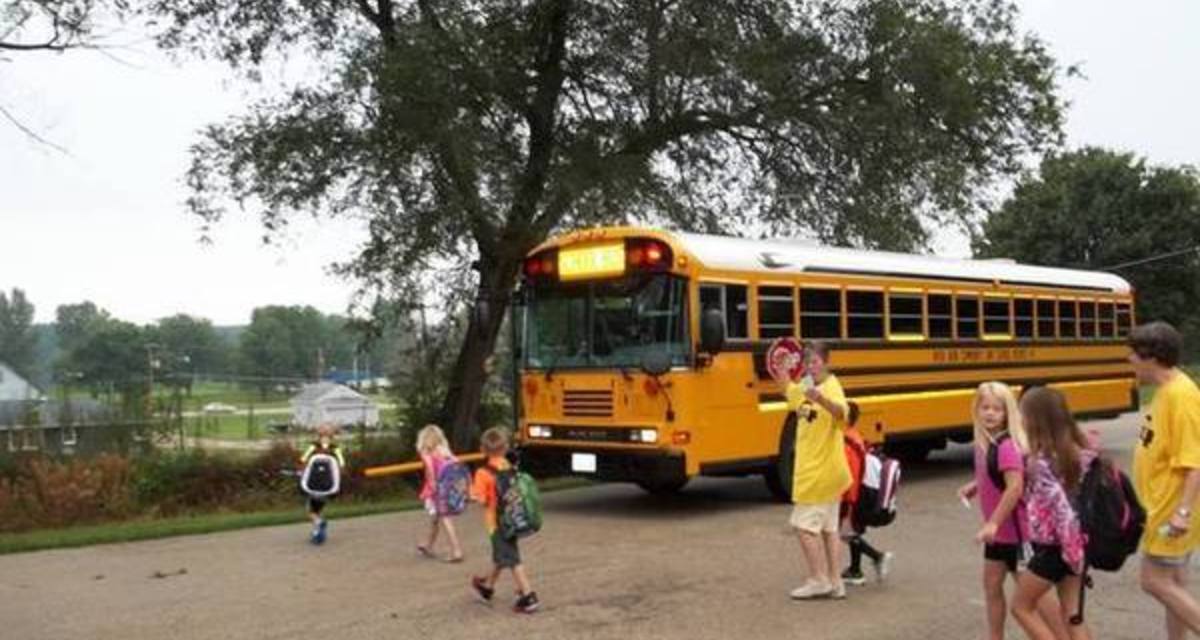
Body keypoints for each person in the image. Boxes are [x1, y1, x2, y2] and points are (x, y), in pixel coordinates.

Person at [957, 382, 1069, 640]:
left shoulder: (1006, 445)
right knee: (992, 586)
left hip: (1018, 535)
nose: (990, 413)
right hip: (998, 538)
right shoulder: (985, 444)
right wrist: (976, 486)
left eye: (997, 409)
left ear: (1008, 413)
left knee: (1035, 598)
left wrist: (993, 523)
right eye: (985, 407)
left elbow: (1015, 487)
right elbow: (998, 475)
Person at [1128, 321, 1200, 639]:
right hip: (1162, 506)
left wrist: (1182, 512)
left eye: (1132, 354)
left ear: (1151, 357)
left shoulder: (1181, 397)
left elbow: (1195, 462)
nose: (1129, 360)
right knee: (1174, 583)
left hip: (1171, 512)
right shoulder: (1166, 391)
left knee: (1154, 581)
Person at [1010, 387, 1094, 640]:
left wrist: (1072, 556)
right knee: (1073, 614)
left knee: (1021, 607)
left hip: (1056, 549)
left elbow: (1061, 512)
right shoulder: (1082, 453)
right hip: (1081, 544)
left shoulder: (1043, 463)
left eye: (1022, 414)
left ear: (1034, 419)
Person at [781, 340, 852, 600]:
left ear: (826, 361)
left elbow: (842, 413)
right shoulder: (806, 385)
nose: (810, 367)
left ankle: (818, 579)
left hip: (820, 471)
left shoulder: (831, 387)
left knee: (802, 527)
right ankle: (835, 582)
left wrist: (820, 398)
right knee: (828, 528)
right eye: (806, 362)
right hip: (826, 472)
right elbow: (789, 393)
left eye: (814, 362)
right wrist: (782, 369)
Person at [470, 427, 540, 613]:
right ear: (505, 447)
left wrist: (471, 494)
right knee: (503, 554)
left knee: (512, 558)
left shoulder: (483, 473)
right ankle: (487, 588)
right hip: (513, 518)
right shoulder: (509, 466)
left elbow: (482, 500)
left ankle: (528, 595)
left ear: (482, 449)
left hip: (496, 523)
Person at [841, 401, 894, 586]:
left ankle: (877, 557)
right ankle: (855, 570)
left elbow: (852, 475)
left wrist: (849, 503)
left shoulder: (845, 441)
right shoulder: (856, 436)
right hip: (863, 490)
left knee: (846, 532)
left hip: (853, 494)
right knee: (850, 531)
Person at [415, 424, 464, 563]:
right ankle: (428, 545)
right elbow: (457, 464)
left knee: (444, 518)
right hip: (449, 487)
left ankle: (456, 550)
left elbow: (430, 470)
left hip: (437, 489)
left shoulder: (427, 453)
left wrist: (433, 487)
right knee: (435, 519)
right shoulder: (444, 451)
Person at [299, 424, 345, 544]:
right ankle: (317, 531)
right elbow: (341, 464)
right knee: (319, 507)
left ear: (319, 435)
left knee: (310, 509)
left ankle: (318, 524)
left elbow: (303, 460)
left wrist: (302, 472)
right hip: (329, 486)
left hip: (313, 484)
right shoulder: (336, 448)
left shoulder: (313, 446)